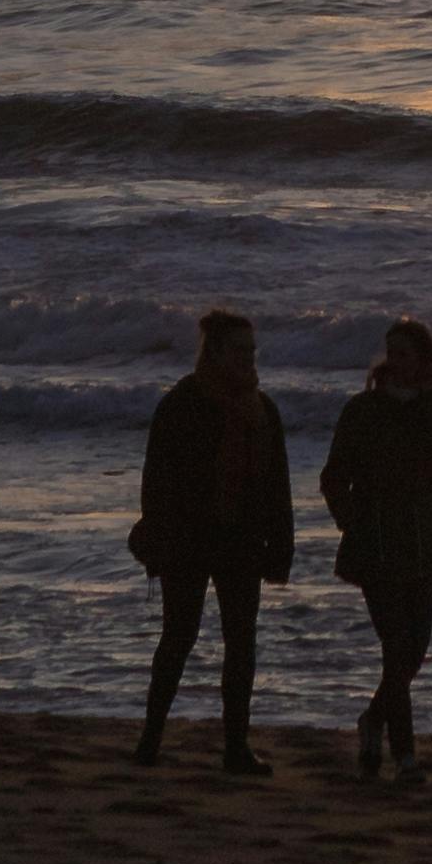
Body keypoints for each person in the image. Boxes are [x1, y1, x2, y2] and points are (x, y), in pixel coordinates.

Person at [131, 306, 295, 776]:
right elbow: (156, 480)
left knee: (241, 643)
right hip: (188, 539)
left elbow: (277, 485)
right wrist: (158, 537)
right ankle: (150, 740)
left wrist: (282, 546)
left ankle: (236, 748)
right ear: (215, 352)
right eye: (239, 350)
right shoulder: (182, 404)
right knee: (178, 638)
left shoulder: (263, 410)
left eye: (252, 350)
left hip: (243, 539)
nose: (248, 358)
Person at [321, 311, 432, 787]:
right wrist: (352, 522)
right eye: (391, 353)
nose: (394, 361)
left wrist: (431, 403)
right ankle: (404, 757)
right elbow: (333, 477)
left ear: (423, 360)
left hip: (422, 544)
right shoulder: (363, 410)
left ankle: (372, 719)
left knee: (413, 654)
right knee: (396, 649)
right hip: (374, 547)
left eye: (404, 353)